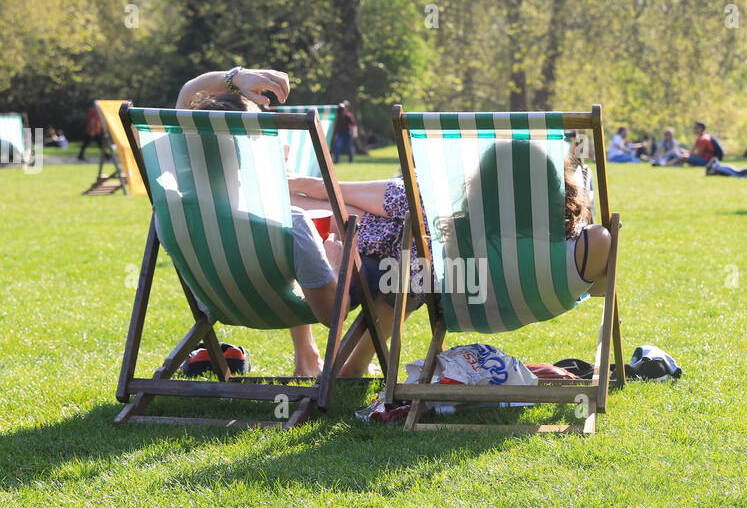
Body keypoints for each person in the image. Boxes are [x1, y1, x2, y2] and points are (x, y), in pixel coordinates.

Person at [292, 142, 610, 377]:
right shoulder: (589, 246)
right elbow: (599, 284)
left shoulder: (456, 235)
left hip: (451, 297)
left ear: (482, 187)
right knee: (412, 230)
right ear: (557, 188)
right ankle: (313, 194)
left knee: (412, 223)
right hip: (515, 299)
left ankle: (310, 192)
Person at [175, 68, 332, 377]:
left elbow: (186, 96)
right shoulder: (290, 224)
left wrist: (235, 77)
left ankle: (308, 356)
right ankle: (327, 360)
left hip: (215, 301)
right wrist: (339, 258)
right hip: (278, 298)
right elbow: (330, 314)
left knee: (287, 246)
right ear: (258, 156)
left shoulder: (174, 207)